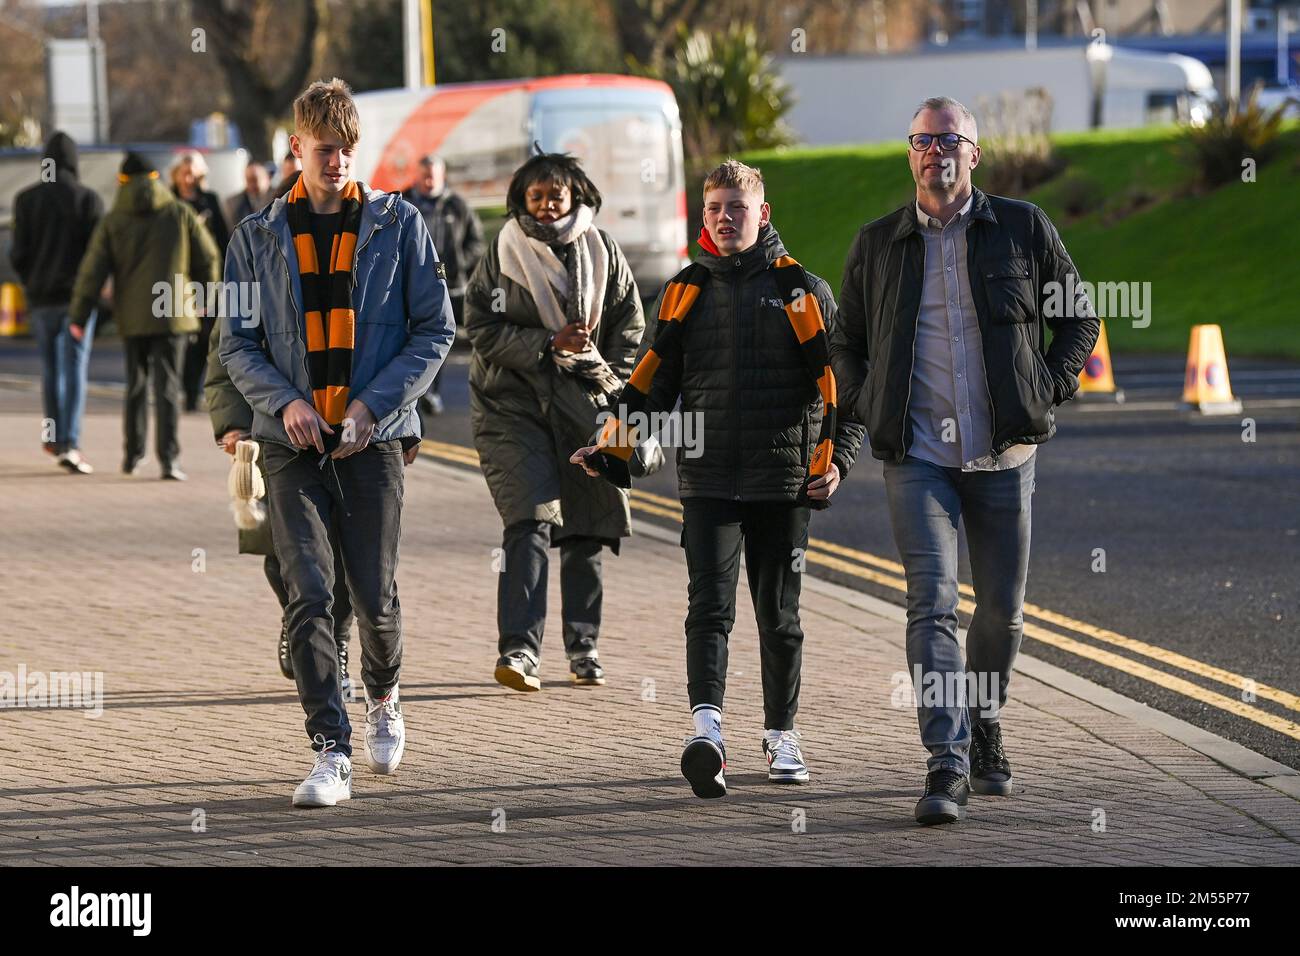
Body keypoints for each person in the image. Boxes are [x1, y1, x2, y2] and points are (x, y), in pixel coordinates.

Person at [830, 97, 1099, 826]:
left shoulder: (1020, 226)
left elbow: (1080, 315)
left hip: (1005, 456)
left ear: (973, 154)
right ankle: (945, 762)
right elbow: (842, 340)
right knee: (932, 606)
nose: (936, 150)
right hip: (918, 458)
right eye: (923, 139)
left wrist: (1048, 385)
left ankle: (985, 720)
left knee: (1003, 615)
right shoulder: (878, 242)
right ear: (910, 152)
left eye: (951, 139)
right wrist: (865, 402)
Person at [572, 159, 864, 798]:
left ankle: (781, 734)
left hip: (784, 482)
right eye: (714, 209)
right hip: (706, 482)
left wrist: (838, 462)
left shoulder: (804, 292)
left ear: (763, 213)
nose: (725, 218)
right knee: (708, 609)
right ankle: (707, 732)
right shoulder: (683, 293)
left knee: (779, 616)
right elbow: (653, 385)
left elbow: (847, 396)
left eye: (737, 207)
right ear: (702, 217)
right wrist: (607, 442)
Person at [220, 78, 454, 808]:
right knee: (309, 595)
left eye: (349, 149)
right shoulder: (252, 238)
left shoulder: (399, 224)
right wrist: (283, 402)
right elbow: (234, 341)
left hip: (372, 441)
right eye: (326, 150)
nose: (339, 162)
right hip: (292, 446)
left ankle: (383, 693)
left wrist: (370, 408)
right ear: (297, 148)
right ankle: (331, 751)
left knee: (373, 597)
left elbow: (435, 329)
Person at [465, 151, 647, 693]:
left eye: (556, 194)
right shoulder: (502, 253)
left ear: (576, 196)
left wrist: (611, 383)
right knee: (530, 518)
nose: (546, 204)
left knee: (588, 523)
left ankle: (583, 647)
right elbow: (480, 326)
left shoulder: (602, 249)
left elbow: (628, 323)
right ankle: (519, 650)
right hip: (510, 407)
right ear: (520, 200)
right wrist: (547, 343)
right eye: (535, 195)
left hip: (585, 404)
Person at [204, 321, 357, 695]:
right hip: (273, 431)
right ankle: (296, 615)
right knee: (282, 547)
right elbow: (227, 355)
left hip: (351, 434)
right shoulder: (255, 270)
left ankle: (335, 637)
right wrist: (233, 424)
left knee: (350, 551)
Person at [69, 151, 220, 480]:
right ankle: (169, 460)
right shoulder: (179, 213)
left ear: (122, 181)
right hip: (173, 313)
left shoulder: (113, 221)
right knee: (168, 387)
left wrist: (79, 316)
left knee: (136, 386)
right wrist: (205, 297)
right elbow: (208, 256)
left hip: (133, 315)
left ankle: (132, 456)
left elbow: (92, 270)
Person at [9, 131, 103, 474]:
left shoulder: (26, 200)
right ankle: (70, 443)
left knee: (50, 370)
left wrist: (32, 282)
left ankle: (52, 436)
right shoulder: (87, 200)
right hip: (77, 299)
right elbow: (97, 256)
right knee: (74, 368)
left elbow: (18, 253)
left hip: (42, 298)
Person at [404, 154, 485, 420]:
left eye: (433, 176)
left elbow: (476, 243)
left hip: (450, 287)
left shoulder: (457, 205)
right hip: (409, 285)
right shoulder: (402, 202)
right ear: (416, 174)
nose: (429, 181)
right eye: (424, 175)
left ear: (442, 175)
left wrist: (459, 264)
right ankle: (412, 393)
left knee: (438, 338)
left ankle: (430, 391)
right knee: (408, 338)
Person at [171, 150, 230, 412]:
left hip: (208, 280)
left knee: (208, 336)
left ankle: (203, 390)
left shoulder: (210, 200)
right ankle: (186, 389)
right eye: (184, 172)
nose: (188, 178)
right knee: (184, 337)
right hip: (178, 280)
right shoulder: (170, 201)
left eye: (193, 173)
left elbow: (223, 239)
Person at [225, 159, 272, 229]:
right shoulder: (234, 203)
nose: (252, 184)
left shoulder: (278, 197)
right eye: (249, 180)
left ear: (267, 178)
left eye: (255, 179)